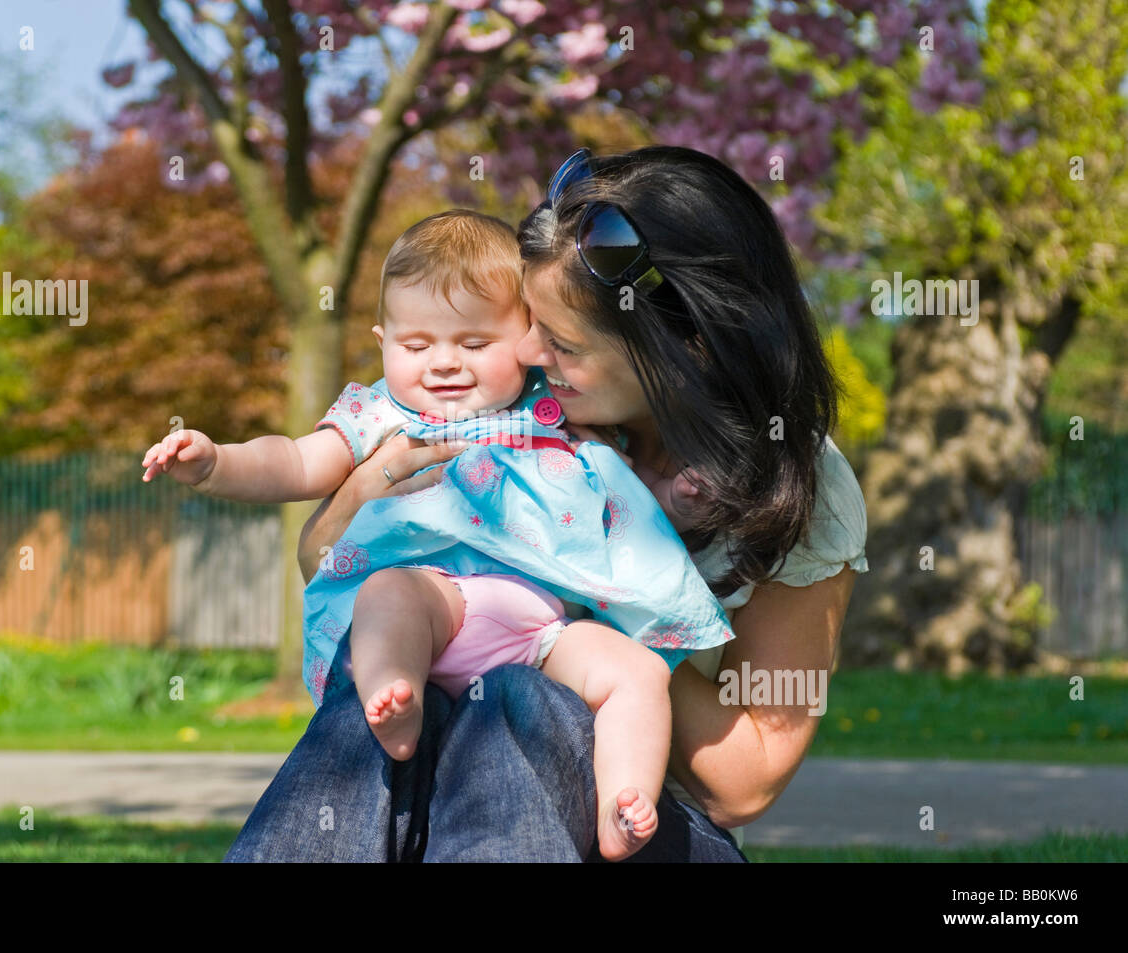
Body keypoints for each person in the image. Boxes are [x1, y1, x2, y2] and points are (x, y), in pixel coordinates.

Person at [224, 145, 869, 862]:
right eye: (526, 321)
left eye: (560, 341)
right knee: (366, 709)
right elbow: (325, 549)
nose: (527, 352)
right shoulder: (515, 415)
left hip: (635, 824)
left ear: (684, 346)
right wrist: (342, 525)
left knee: (513, 698)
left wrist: (561, 605)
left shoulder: (797, 479)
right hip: (436, 788)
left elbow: (742, 780)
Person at [144, 208, 734, 859]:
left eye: (475, 344)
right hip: (437, 602)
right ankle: (391, 692)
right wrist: (216, 463)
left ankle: (626, 799)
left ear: (526, 336)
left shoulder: (552, 406)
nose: (444, 364)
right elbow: (294, 461)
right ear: (382, 339)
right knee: (389, 593)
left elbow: (624, 499)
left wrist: (678, 497)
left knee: (637, 672)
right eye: (417, 345)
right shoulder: (379, 413)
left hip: (539, 626)